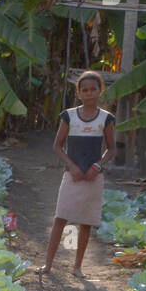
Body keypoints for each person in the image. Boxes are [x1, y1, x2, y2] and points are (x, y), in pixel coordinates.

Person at [40, 71, 116, 279]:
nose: (89, 93)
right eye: (85, 90)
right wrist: (71, 166)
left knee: (86, 222)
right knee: (60, 218)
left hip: (93, 177)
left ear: (100, 91)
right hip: (71, 176)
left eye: (93, 89)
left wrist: (97, 167)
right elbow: (57, 146)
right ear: (79, 93)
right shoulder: (69, 116)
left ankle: (77, 267)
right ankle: (48, 265)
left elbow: (111, 149)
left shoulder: (106, 118)